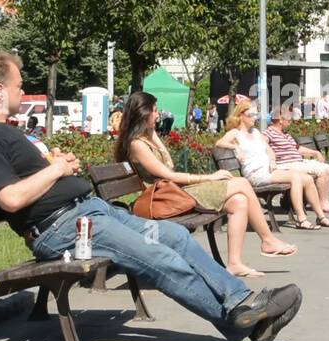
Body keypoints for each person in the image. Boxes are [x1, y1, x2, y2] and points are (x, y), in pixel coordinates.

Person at [0, 51, 303, 341]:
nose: (23, 88)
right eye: (19, 84)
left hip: (88, 212)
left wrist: (56, 167)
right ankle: (241, 318)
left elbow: (26, 180)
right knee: (158, 257)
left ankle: (241, 302)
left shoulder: (4, 130)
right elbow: (10, 198)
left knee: (175, 237)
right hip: (63, 228)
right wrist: (57, 169)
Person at [120, 93, 297, 279]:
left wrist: (153, 133)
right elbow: (168, 175)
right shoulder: (137, 144)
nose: (158, 115)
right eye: (154, 111)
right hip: (165, 199)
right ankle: (268, 240)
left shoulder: (147, 138)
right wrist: (210, 178)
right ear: (143, 113)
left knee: (239, 201)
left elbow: (169, 164)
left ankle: (235, 263)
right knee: (242, 183)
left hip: (174, 192)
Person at [216, 102, 329, 231]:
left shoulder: (256, 132)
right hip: (255, 174)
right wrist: (235, 147)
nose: (255, 118)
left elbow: (269, 151)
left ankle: (321, 216)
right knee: (296, 178)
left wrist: (272, 161)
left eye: (256, 114)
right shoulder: (236, 133)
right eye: (251, 115)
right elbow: (219, 142)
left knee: (307, 178)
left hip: (268, 170)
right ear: (241, 116)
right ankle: (302, 219)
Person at [264, 107, 329, 214]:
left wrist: (315, 153)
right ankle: (323, 203)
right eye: (289, 120)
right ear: (280, 120)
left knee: (326, 168)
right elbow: (261, 145)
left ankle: (322, 201)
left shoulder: (285, 134)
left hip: (297, 163)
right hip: (285, 165)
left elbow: (298, 148)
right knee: (324, 169)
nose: (290, 122)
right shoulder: (269, 133)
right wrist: (271, 159)